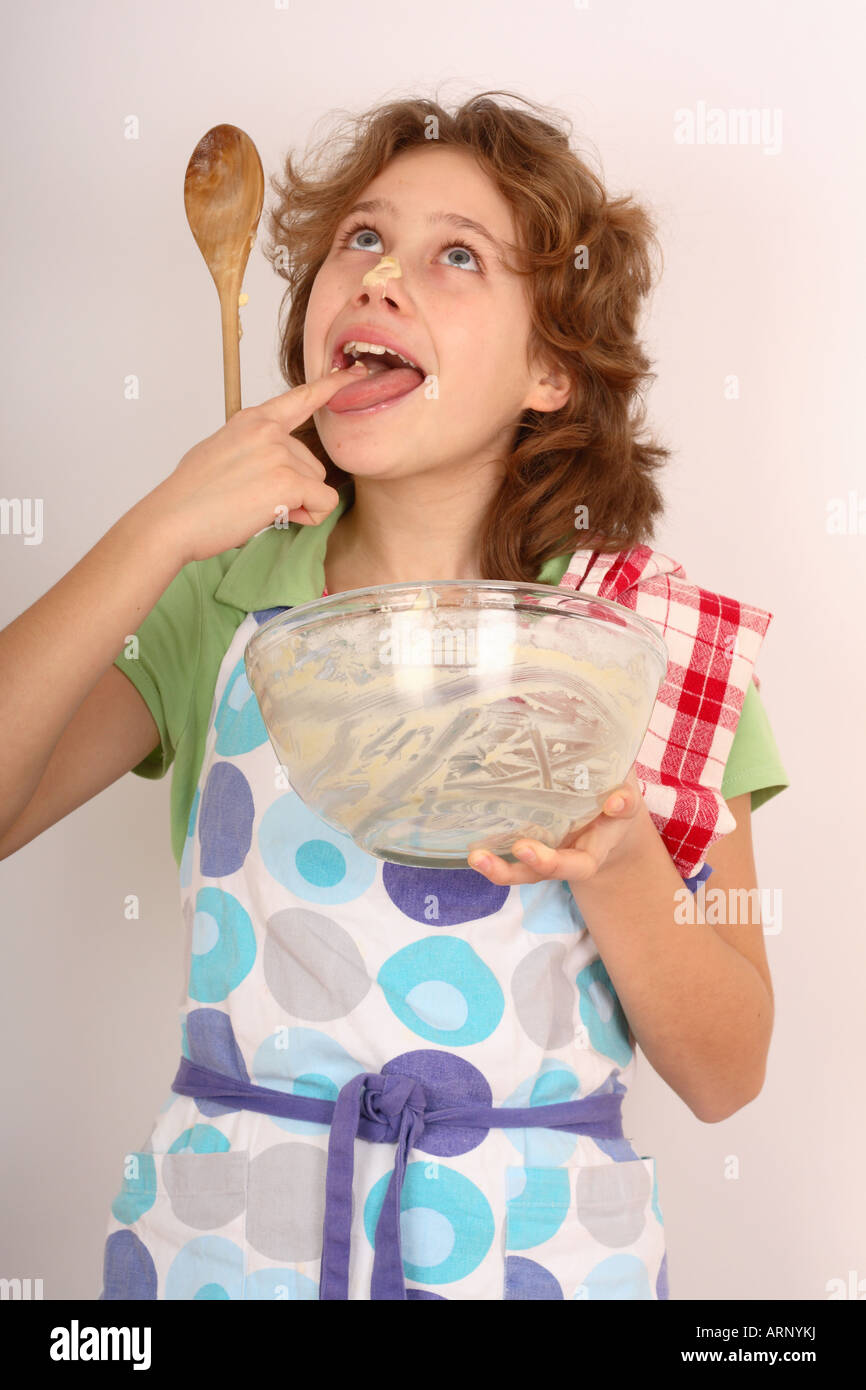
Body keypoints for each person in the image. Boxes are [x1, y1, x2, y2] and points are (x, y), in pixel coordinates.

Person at [0, 90, 788, 1301]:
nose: (376, 276)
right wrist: (159, 527)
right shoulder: (217, 603)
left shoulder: (647, 641)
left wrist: (624, 863)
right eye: (359, 239)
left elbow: (726, 1069)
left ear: (549, 371)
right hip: (221, 1262)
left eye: (454, 256)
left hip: (541, 1263)